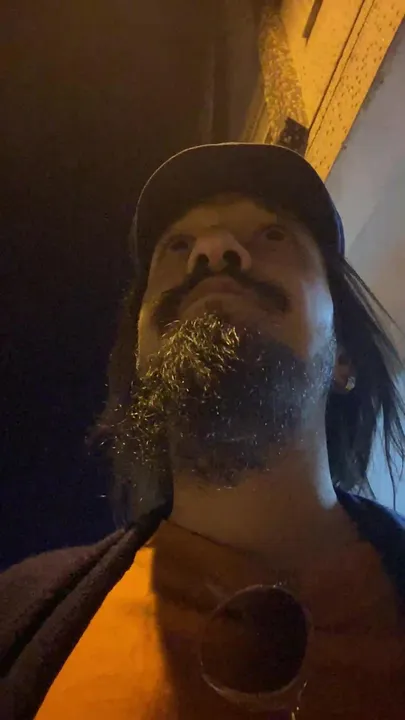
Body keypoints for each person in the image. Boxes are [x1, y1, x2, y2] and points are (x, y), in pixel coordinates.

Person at [1, 143, 405, 720]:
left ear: (344, 355)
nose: (212, 250)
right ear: (142, 356)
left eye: (272, 235)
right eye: (177, 246)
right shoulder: (16, 616)